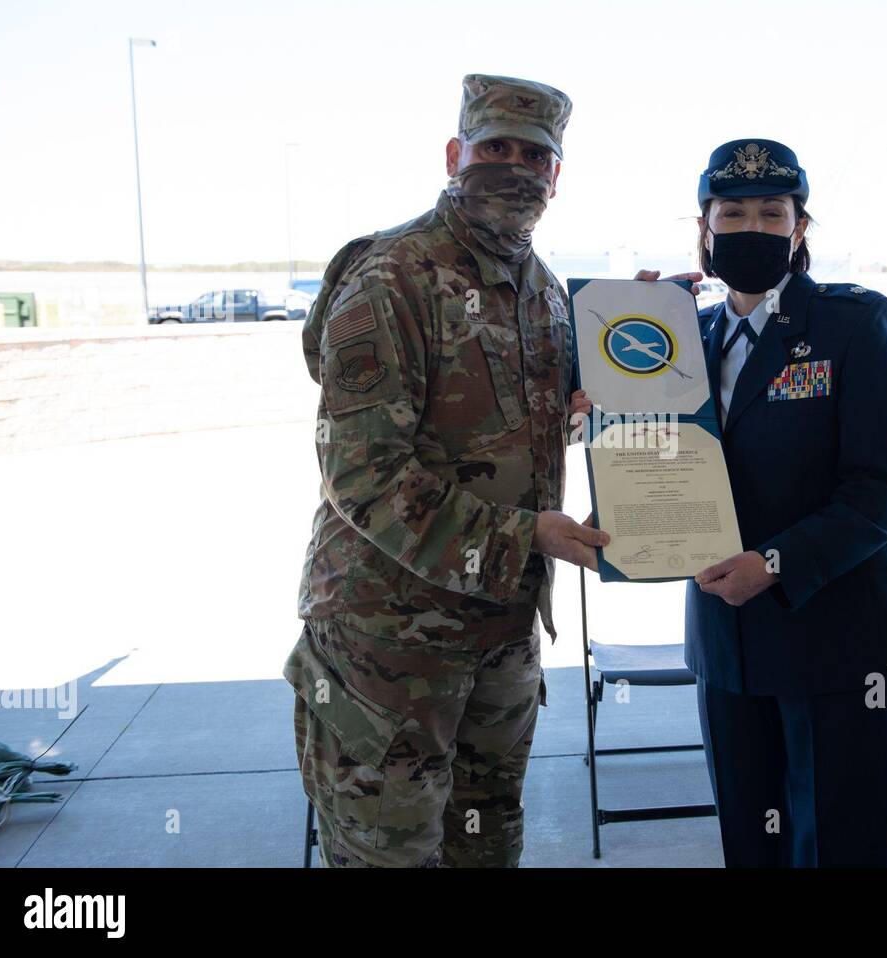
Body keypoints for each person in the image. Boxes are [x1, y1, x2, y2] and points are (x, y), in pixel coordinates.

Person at [283, 73, 610, 868]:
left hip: (499, 633)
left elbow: (519, 428)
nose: (515, 167)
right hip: (389, 644)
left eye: (535, 154)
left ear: (557, 175)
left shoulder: (544, 292)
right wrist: (527, 535)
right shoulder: (394, 273)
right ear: (455, 154)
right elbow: (364, 475)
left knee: (486, 844)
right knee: (389, 855)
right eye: (494, 148)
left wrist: (635, 335)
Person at [685, 139, 887, 867]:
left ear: (799, 229)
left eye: (771, 211)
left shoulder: (854, 324)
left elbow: (885, 486)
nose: (751, 226)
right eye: (732, 212)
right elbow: (649, 457)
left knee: (844, 844)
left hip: (838, 639)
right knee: (753, 845)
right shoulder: (685, 338)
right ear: (705, 229)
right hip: (730, 643)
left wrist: (778, 562)